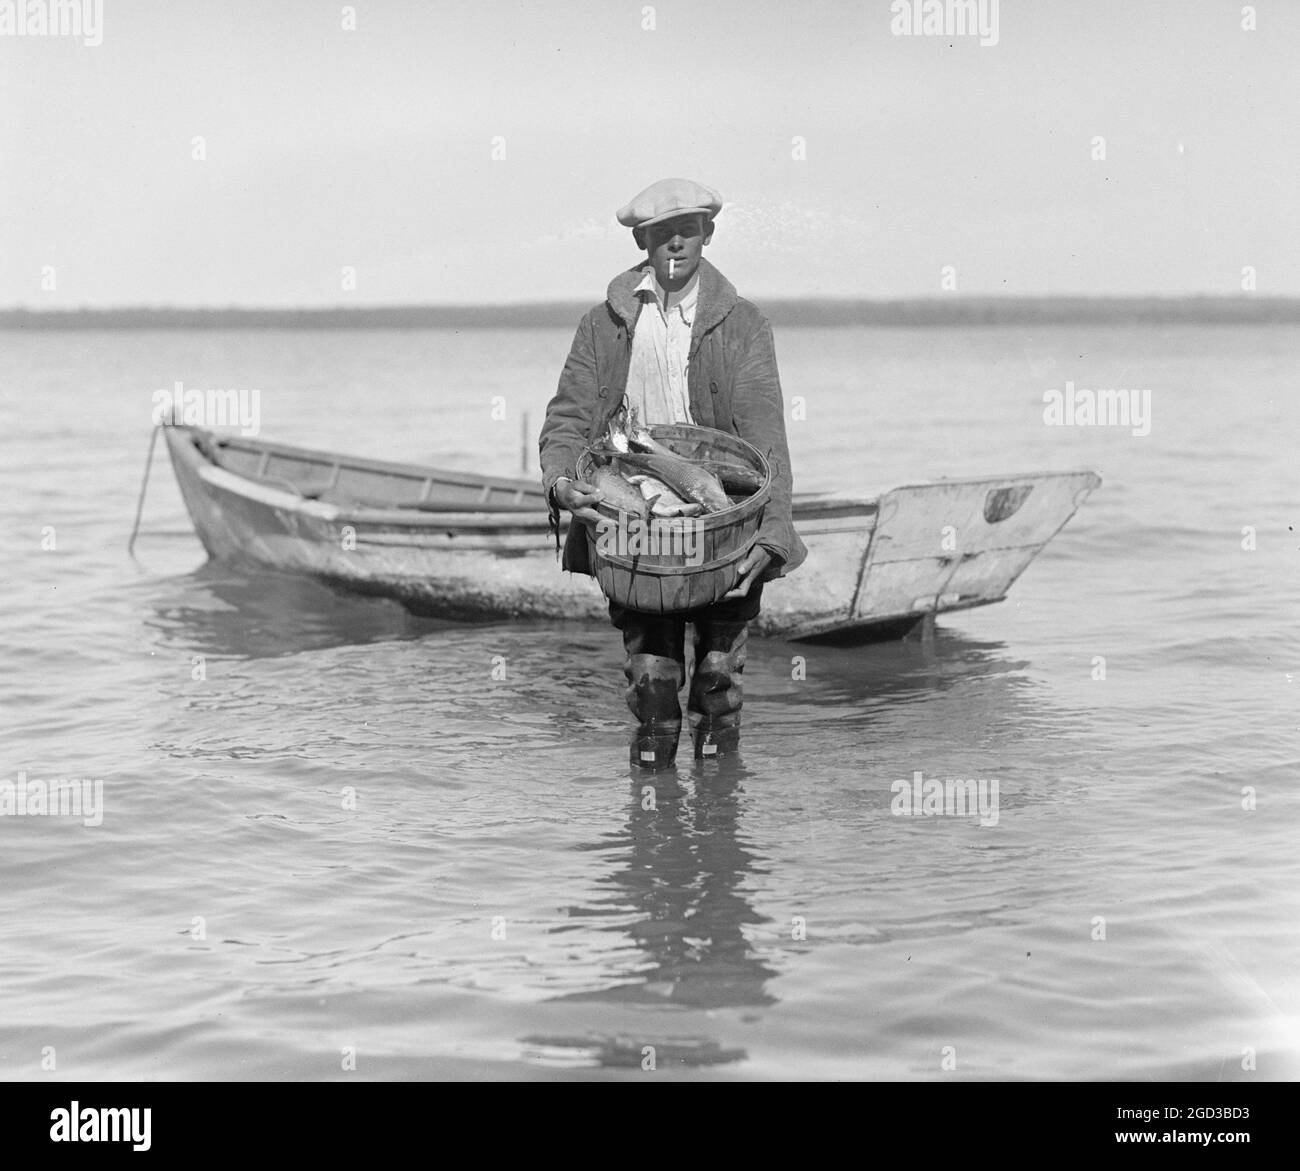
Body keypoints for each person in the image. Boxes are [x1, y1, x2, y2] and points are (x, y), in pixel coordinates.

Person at [539, 178, 806, 770]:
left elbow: (768, 441)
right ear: (643, 240)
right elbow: (566, 421)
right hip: (637, 529)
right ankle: (652, 830)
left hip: (725, 529)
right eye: (662, 234)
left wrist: (773, 532)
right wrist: (562, 484)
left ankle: (718, 828)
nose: (676, 244)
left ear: (708, 234)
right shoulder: (601, 323)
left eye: (688, 230)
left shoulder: (744, 325)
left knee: (717, 685)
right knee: (653, 687)